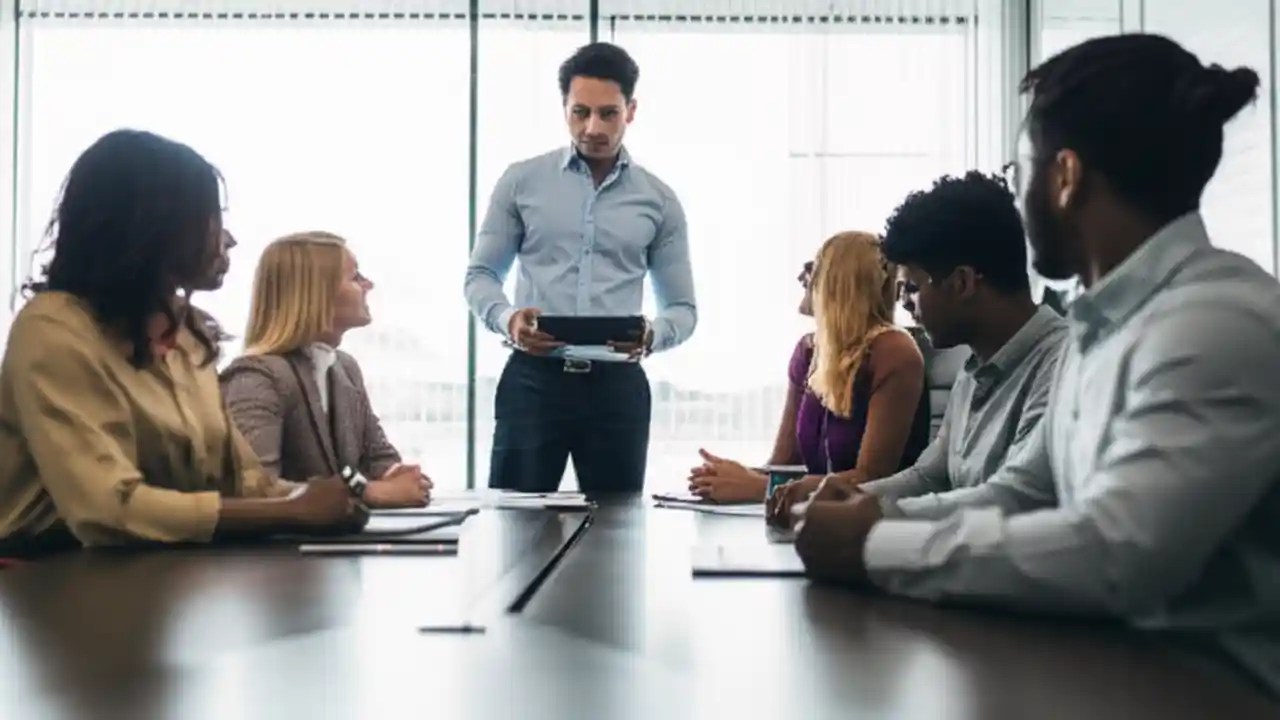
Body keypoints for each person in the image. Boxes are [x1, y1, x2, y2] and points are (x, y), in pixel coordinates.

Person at [793, 34, 1280, 698]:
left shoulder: (1213, 323)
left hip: (1216, 691)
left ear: (1067, 177)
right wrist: (871, 514)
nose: (1017, 204)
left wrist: (874, 546)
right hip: (1117, 666)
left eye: (1021, 175)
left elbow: (1118, 554)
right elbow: (1021, 491)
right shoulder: (1099, 327)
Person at [0, 129, 366, 556]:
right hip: (51, 577)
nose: (226, 238)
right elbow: (107, 510)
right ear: (153, 225)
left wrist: (321, 499)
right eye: (210, 217)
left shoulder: (189, 333)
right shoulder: (54, 330)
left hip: (159, 575)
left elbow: (246, 482)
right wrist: (292, 512)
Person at [464, 42, 696, 493]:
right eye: (580, 112)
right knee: (515, 528)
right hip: (532, 383)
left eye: (608, 113)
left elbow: (683, 309)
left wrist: (652, 335)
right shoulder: (520, 182)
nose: (592, 127)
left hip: (617, 389)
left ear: (631, 110)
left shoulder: (659, 200)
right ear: (564, 109)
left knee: (615, 536)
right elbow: (481, 277)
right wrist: (508, 319)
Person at [768, 171, 1067, 521]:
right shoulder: (974, 370)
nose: (905, 304)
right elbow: (930, 476)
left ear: (962, 283)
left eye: (912, 287)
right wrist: (836, 497)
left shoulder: (1061, 364)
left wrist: (867, 515)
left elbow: (1013, 498)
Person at [690, 231, 930, 503]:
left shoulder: (894, 351)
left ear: (838, 280)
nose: (803, 277)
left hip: (876, 524)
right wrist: (727, 477)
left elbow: (871, 479)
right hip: (818, 516)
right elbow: (783, 463)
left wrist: (763, 488)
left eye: (813, 266)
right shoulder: (809, 351)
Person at [221, 232, 431, 508]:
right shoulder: (256, 377)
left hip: (332, 546)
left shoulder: (345, 369)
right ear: (316, 292)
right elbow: (255, 489)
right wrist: (370, 492)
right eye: (355, 277)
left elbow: (377, 458)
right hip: (278, 549)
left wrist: (398, 477)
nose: (368, 284)